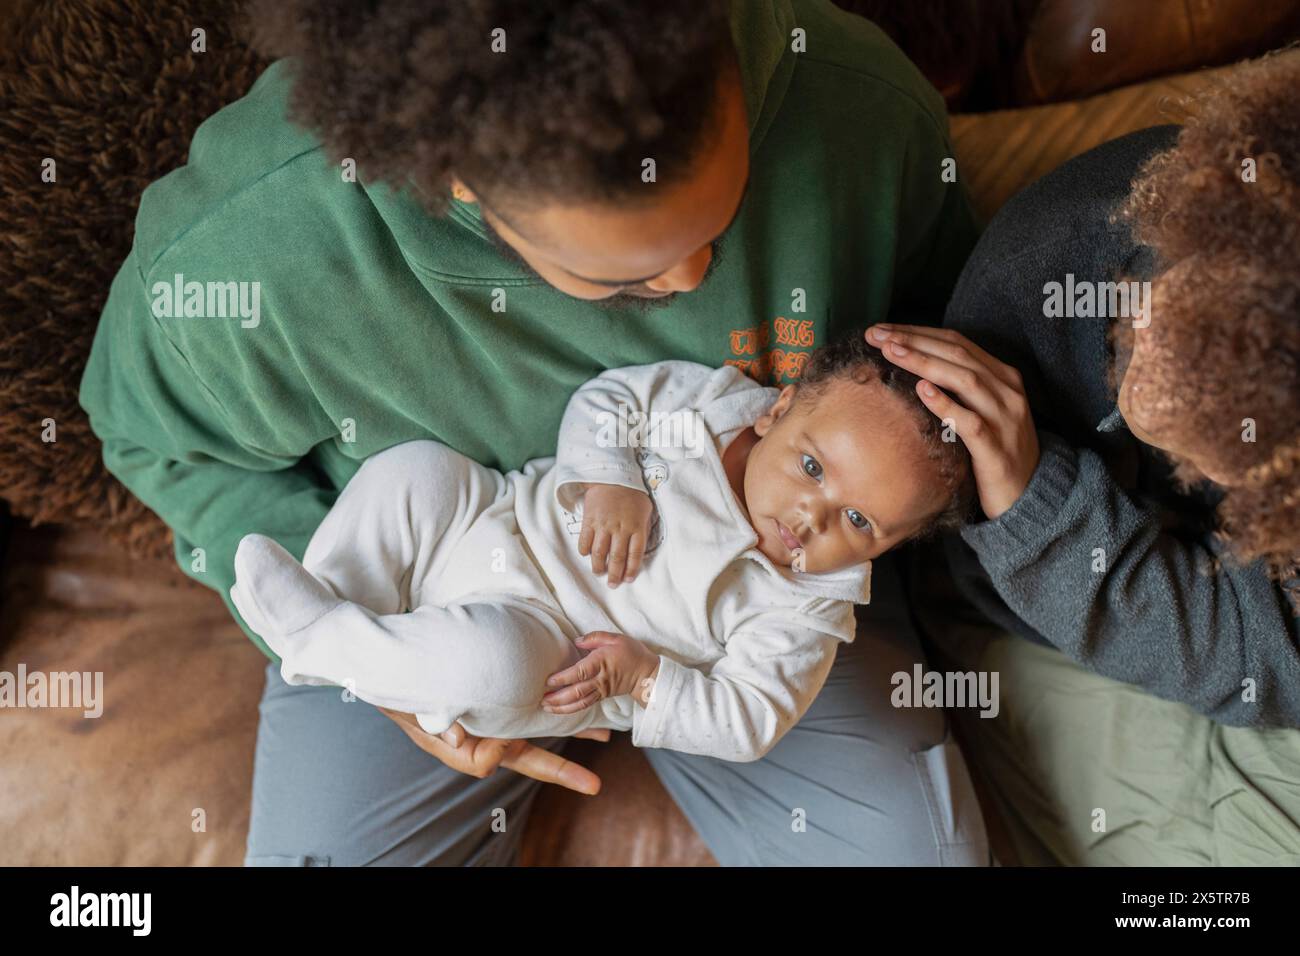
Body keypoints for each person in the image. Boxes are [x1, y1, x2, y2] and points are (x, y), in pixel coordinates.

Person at [79, 0, 990, 865]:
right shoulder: (245, 253)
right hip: (415, 582)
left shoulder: (861, 111)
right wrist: (384, 671)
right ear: (459, 179)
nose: (693, 276)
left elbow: (930, 404)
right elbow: (160, 448)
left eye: (723, 212)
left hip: (734, 618)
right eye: (624, 275)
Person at [228, 341, 974, 762]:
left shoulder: (804, 610)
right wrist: (611, 478)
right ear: (778, 407)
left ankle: (319, 643)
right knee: (416, 471)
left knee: (493, 668)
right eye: (811, 467)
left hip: (549, 643)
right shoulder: (708, 405)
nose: (811, 520)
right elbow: (609, 400)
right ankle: (328, 598)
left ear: (893, 544)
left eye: (859, 521)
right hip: (493, 514)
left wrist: (647, 679)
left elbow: (748, 720)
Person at [864, 49, 1300, 727]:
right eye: (1150, 324)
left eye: (1224, 438)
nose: (1146, 389)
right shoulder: (1033, 281)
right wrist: (1031, 512)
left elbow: (1274, 661)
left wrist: (1041, 524)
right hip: (1061, 605)